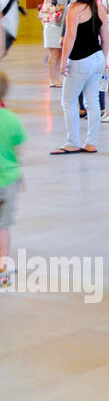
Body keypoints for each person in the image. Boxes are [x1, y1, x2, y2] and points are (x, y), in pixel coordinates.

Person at [51, 0, 109, 155]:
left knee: (68, 101)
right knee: (92, 101)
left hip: (80, 60)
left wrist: (63, 61)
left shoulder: (74, 9)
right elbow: (106, 38)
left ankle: (72, 142)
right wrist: (104, 60)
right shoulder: (99, 8)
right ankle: (91, 142)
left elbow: (70, 37)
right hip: (97, 58)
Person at [0, 72, 26, 289]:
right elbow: (18, 150)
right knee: (3, 227)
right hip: (8, 181)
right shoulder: (11, 119)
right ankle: (3, 268)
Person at [40, 0, 71, 87]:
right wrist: (61, 7)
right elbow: (46, 7)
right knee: (53, 53)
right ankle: (52, 79)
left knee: (59, 53)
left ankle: (57, 78)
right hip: (52, 26)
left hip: (62, 27)